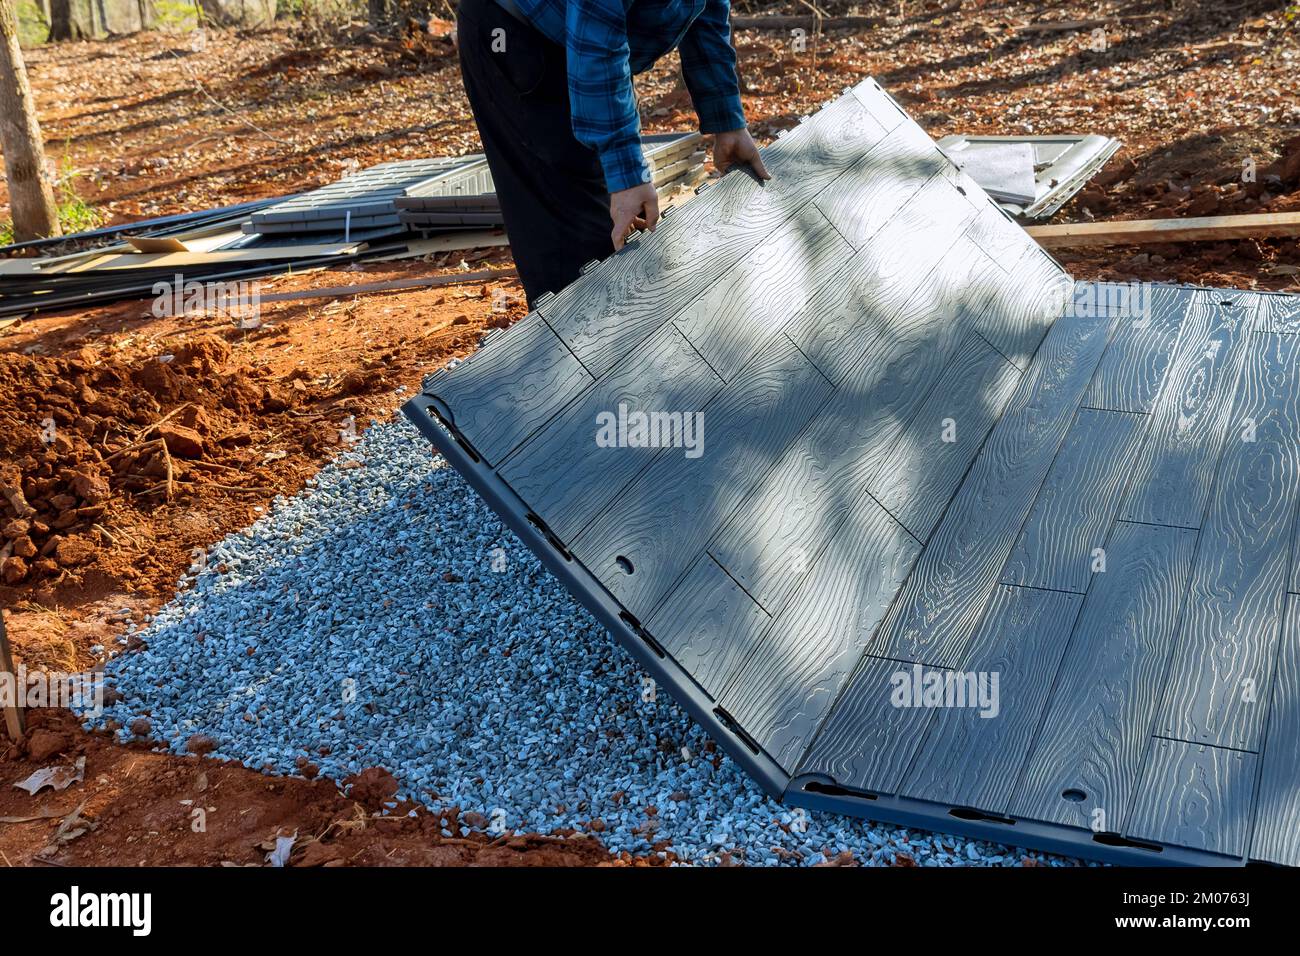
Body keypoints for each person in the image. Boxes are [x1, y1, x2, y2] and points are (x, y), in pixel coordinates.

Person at [455, 0, 770, 306]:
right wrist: (627, 175)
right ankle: (572, 348)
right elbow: (597, 37)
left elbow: (708, 9)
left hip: (584, 43)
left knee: (610, 223)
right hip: (515, 33)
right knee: (575, 242)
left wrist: (726, 119)